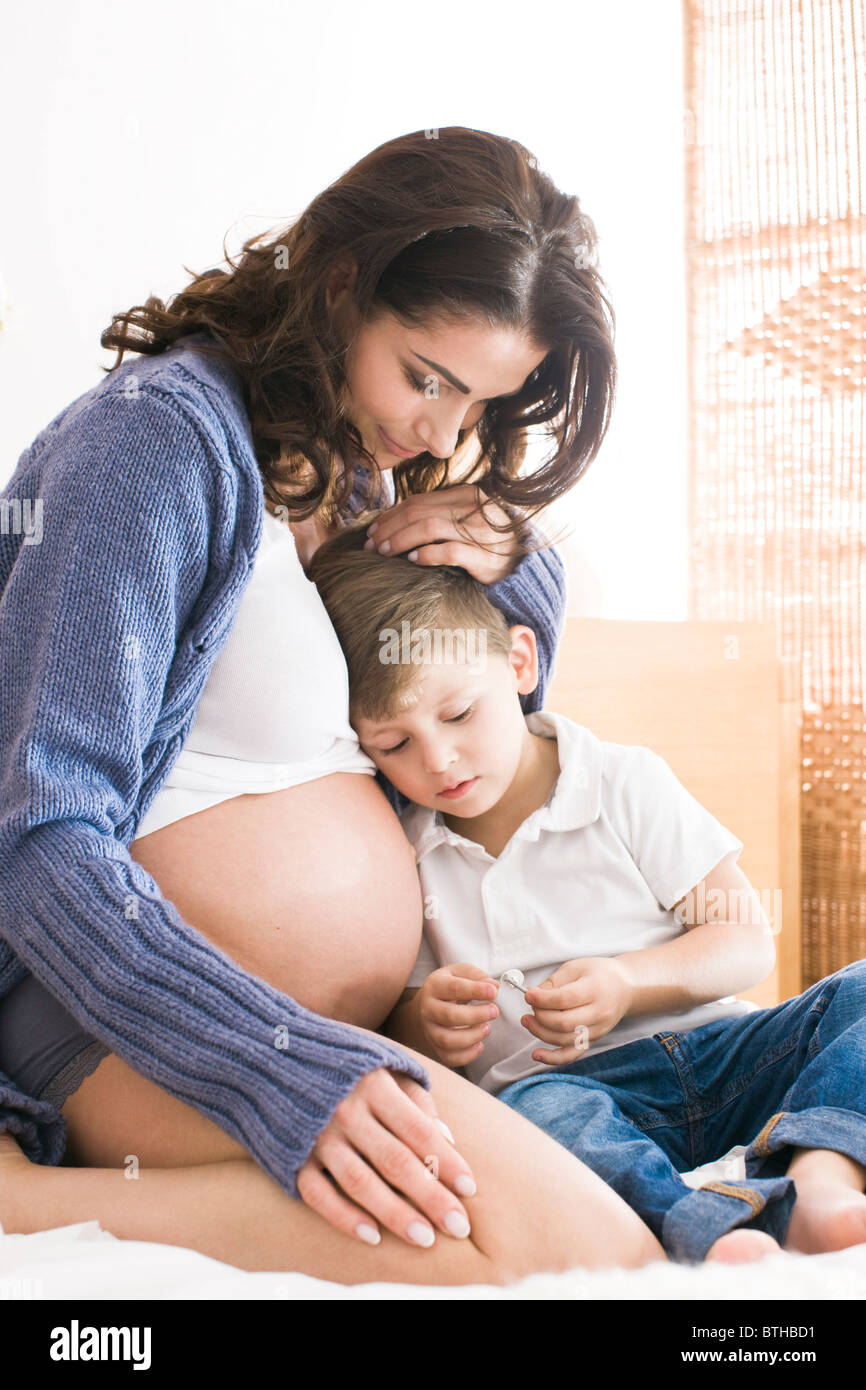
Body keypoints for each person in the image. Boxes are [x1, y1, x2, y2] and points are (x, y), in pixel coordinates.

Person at [0, 127, 665, 1284]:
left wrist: (508, 556)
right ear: (337, 285)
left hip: (318, 1042)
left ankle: (49, 1200)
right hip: (127, 1034)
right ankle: (32, 1199)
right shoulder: (151, 446)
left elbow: (486, 719)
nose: (444, 434)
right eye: (428, 378)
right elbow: (38, 833)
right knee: (551, 1267)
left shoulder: (364, 470)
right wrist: (277, 1067)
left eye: (481, 404)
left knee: (602, 1255)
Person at [306, 518, 866, 1265]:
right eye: (394, 745)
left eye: (459, 714)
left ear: (519, 661)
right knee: (531, 1123)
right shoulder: (401, 850)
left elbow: (744, 941)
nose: (439, 760)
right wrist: (422, 1020)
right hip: (570, 1090)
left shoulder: (619, 780)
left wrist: (629, 981)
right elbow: (399, 1023)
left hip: (724, 1053)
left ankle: (822, 1179)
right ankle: (710, 1228)